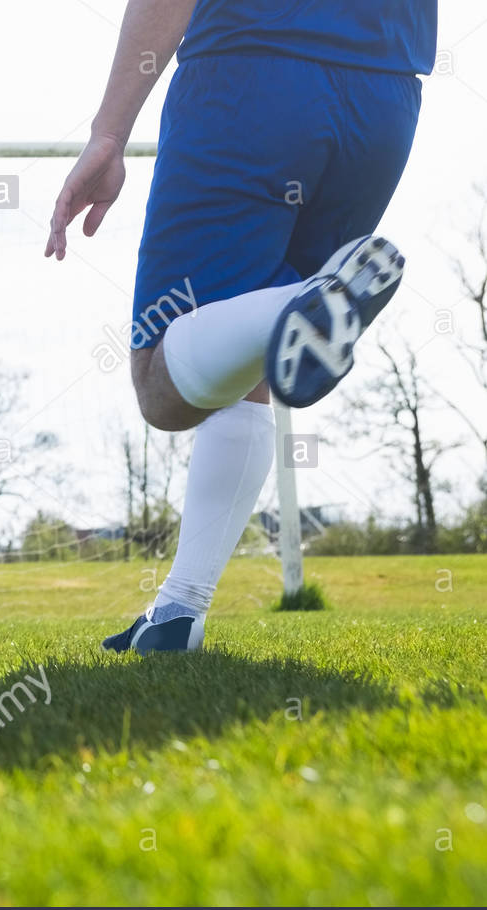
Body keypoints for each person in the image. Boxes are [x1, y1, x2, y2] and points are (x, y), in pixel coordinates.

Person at [47, 0, 435, 653]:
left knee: (161, 377)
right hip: (388, 98)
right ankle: (178, 612)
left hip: (252, 77)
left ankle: (300, 298)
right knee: (250, 355)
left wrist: (109, 133)